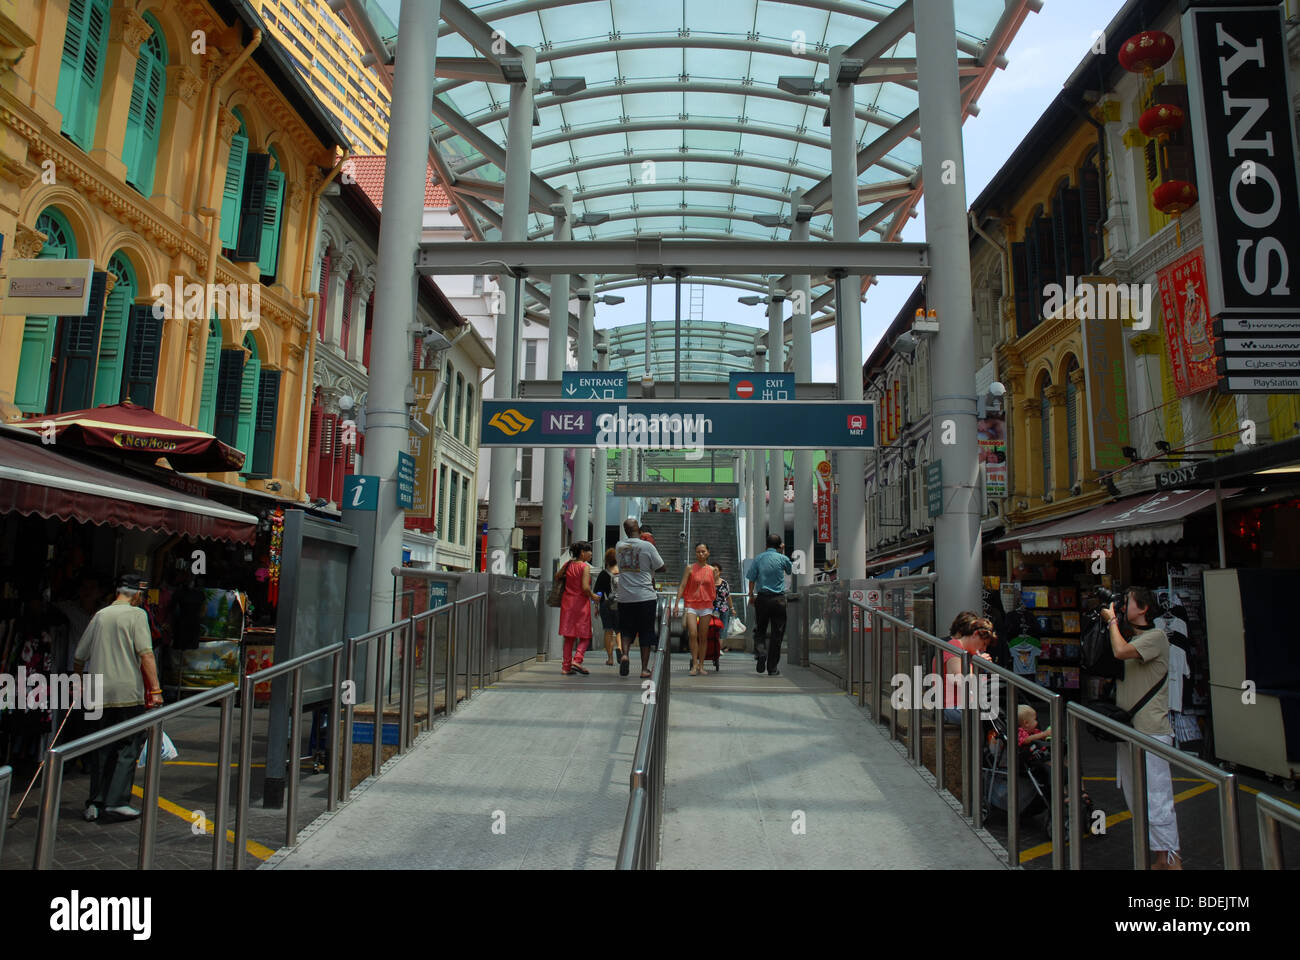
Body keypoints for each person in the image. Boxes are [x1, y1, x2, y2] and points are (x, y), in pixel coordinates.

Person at [73, 574, 163, 822]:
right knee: (128, 744)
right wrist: (155, 691)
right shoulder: (137, 615)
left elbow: (80, 655)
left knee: (102, 746)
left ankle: (95, 802)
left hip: (98, 691)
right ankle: (117, 801)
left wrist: (79, 683)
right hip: (127, 692)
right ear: (136, 595)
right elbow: (146, 654)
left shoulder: (100, 615)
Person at [1103, 586, 1180, 869]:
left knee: (1157, 796)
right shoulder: (1132, 636)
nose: (1123, 607)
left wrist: (1111, 621)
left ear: (1144, 608)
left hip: (1151, 731)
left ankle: (1171, 859)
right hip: (1130, 729)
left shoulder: (1156, 637)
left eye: (1127, 603)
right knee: (1136, 797)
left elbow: (1121, 652)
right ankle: (1159, 858)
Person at [615, 518, 665, 679]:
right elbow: (661, 566)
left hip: (624, 596)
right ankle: (644, 669)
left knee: (626, 629)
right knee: (646, 632)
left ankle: (625, 655)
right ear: (639, 529)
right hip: (645, 596)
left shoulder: (619, 546)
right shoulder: (647, 546)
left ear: (625, 530)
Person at [745, 534, 793, 676]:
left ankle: (761, 653)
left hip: (762, 598)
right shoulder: (782, 558)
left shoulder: (759, 558)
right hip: (778, 600)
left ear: (766, 545)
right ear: (779, 546)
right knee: (777, 634)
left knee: (760, 630)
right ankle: (772, 668)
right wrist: (782, 552)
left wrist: (751, 594)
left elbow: (752, 577)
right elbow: (789, 570)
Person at [939, 612, 994, 725]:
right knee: (987, 717)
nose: (983, 648)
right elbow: (959, 679)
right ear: (974, 634)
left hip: (962, 705)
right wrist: (978, 666)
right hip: (953, 706)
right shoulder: (955, 647)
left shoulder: (967, 653)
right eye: (983, 643)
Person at [558, 541, 599, 676]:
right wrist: (593, 596)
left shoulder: (568, 564)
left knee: (569, 637)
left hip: (567, 603)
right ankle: (578, 659)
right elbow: (585, 588)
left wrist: (567, 577)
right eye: (589, 551)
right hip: (580, 603)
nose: (591, 554)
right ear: (582, 552)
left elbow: (557, 576)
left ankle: (566, 667)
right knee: (585, 635)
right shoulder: (584, 567)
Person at [677, 542, 717, 676]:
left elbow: (715, 586)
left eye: (703, 551)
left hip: (706, 605)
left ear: (708, 553)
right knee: (693, 634)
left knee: (703, 636)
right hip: (691, 604)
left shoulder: (712, 570)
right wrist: (677, 603)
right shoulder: (690, 568)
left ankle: (701, 665)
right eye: (698, 551)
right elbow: (682, 586)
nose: (701, 554)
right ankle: (694, 664)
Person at [593, 548, 620, 666]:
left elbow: (598, 592)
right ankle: (620, 648)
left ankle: (610, 658)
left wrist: (597, 605)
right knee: (620, 631)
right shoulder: (622, 572)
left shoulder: (603, 574)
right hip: (621, 604)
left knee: (608, 630)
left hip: (606, 604)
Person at [710, 563, 736, 651]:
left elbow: (728, 596)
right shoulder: (707, 582)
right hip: (709, 609)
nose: (714, 572)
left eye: (716, 570)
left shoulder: (724, 583)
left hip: (723, 609)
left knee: (722, 629)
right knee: (710, 629)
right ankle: (710, 647)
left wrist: (732, 608)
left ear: (720, 572)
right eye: (712, 570)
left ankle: (718, 649)